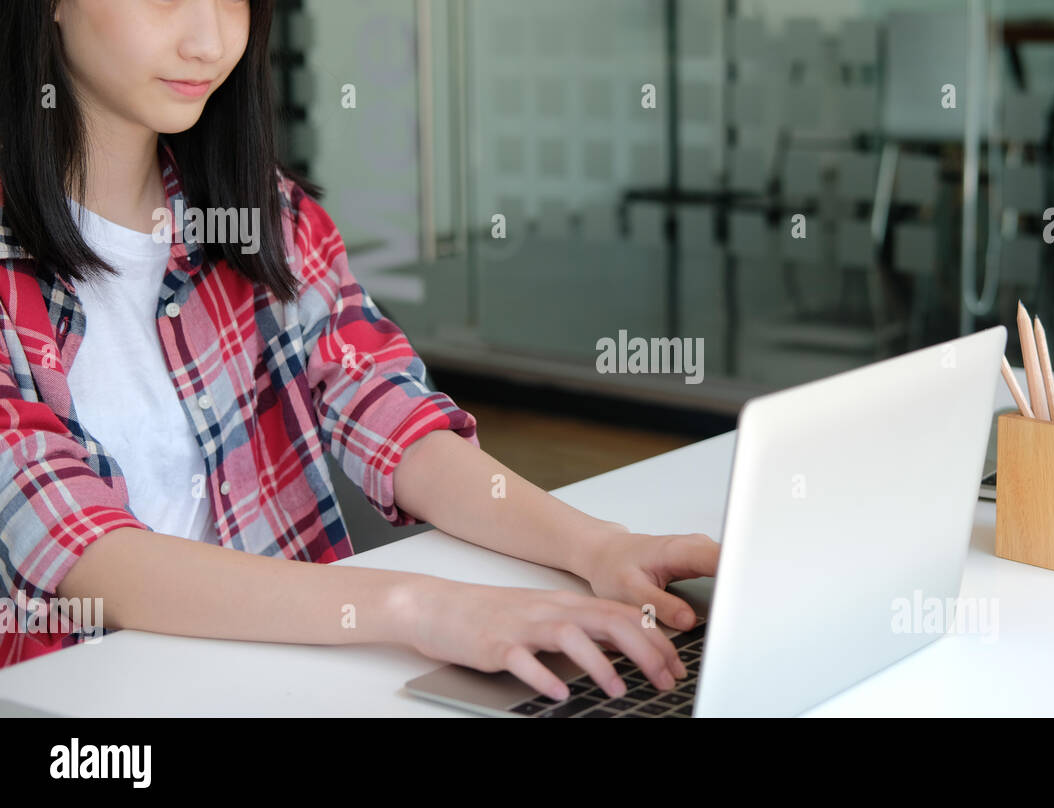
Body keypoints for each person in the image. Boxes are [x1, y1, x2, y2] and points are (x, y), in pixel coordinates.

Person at [0, 0, 717, 704]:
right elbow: (82, 549)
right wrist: (418, 608)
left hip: (292, 682)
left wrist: (596, 549)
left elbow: (388, 412)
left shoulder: (265, 217)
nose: (209, 40)